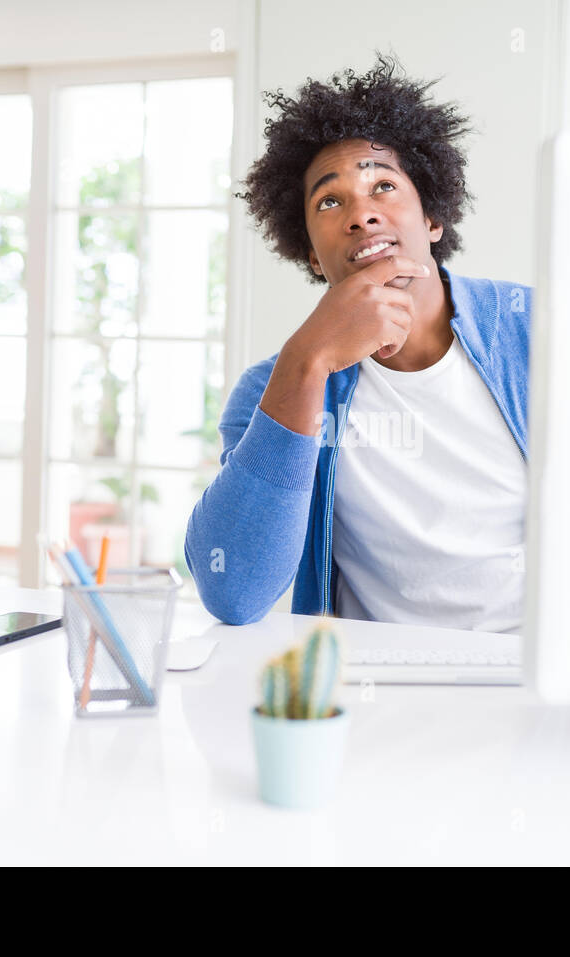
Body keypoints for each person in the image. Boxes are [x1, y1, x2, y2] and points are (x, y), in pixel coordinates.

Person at [184, 54, 531, 631]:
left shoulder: (532, 330)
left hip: (535, 677)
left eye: (384, 186)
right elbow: (233, 591)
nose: (362, 215)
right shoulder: (278, 387)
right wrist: (307, 357)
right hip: (377, 691)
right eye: (329, 200)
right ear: (313, 256)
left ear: (433, 220)